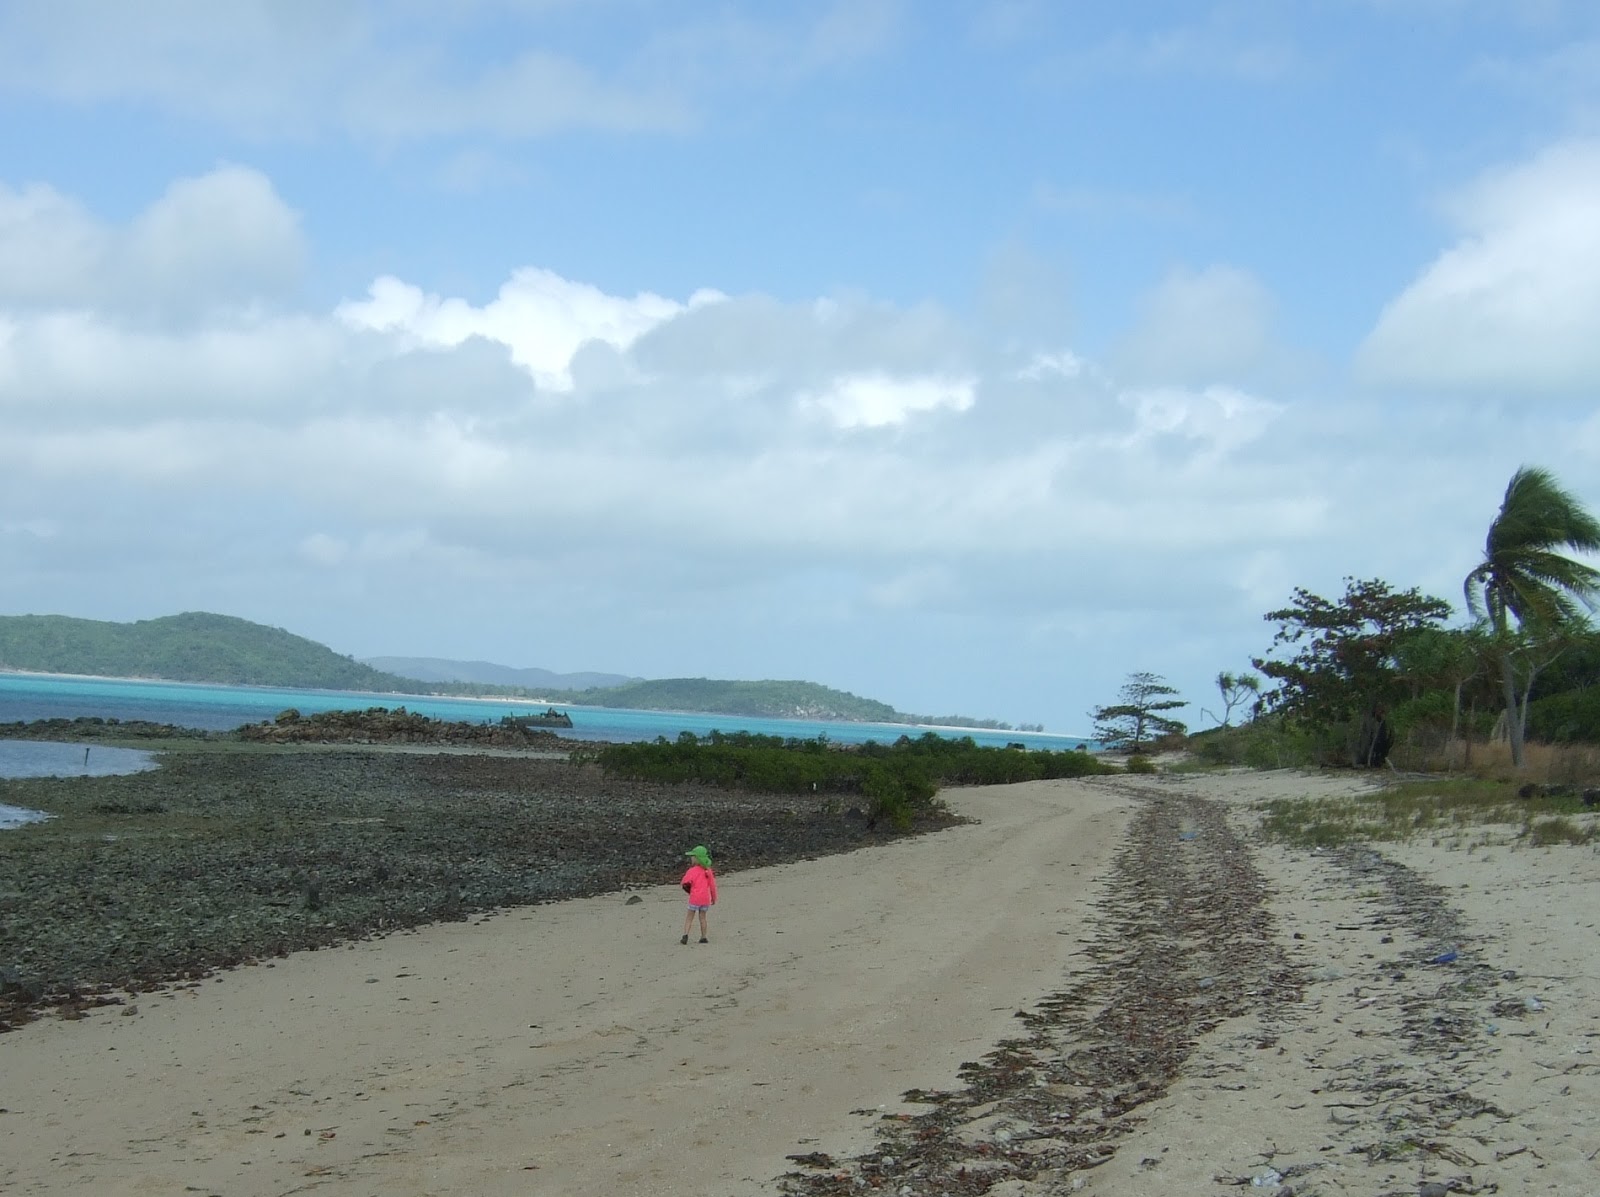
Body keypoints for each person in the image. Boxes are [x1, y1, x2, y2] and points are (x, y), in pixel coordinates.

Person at [679, 844, 717, 945]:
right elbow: (712, 886)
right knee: (703, 918)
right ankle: (703, 937)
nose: (691, 858)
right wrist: (713, 898)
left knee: (689, 917)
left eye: (692, 857)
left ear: (696, 858)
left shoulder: (692, 871)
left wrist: (689, 890)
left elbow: (684, 882)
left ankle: (685, 935)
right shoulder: (708, 871)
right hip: (705, 899)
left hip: (695, 898)